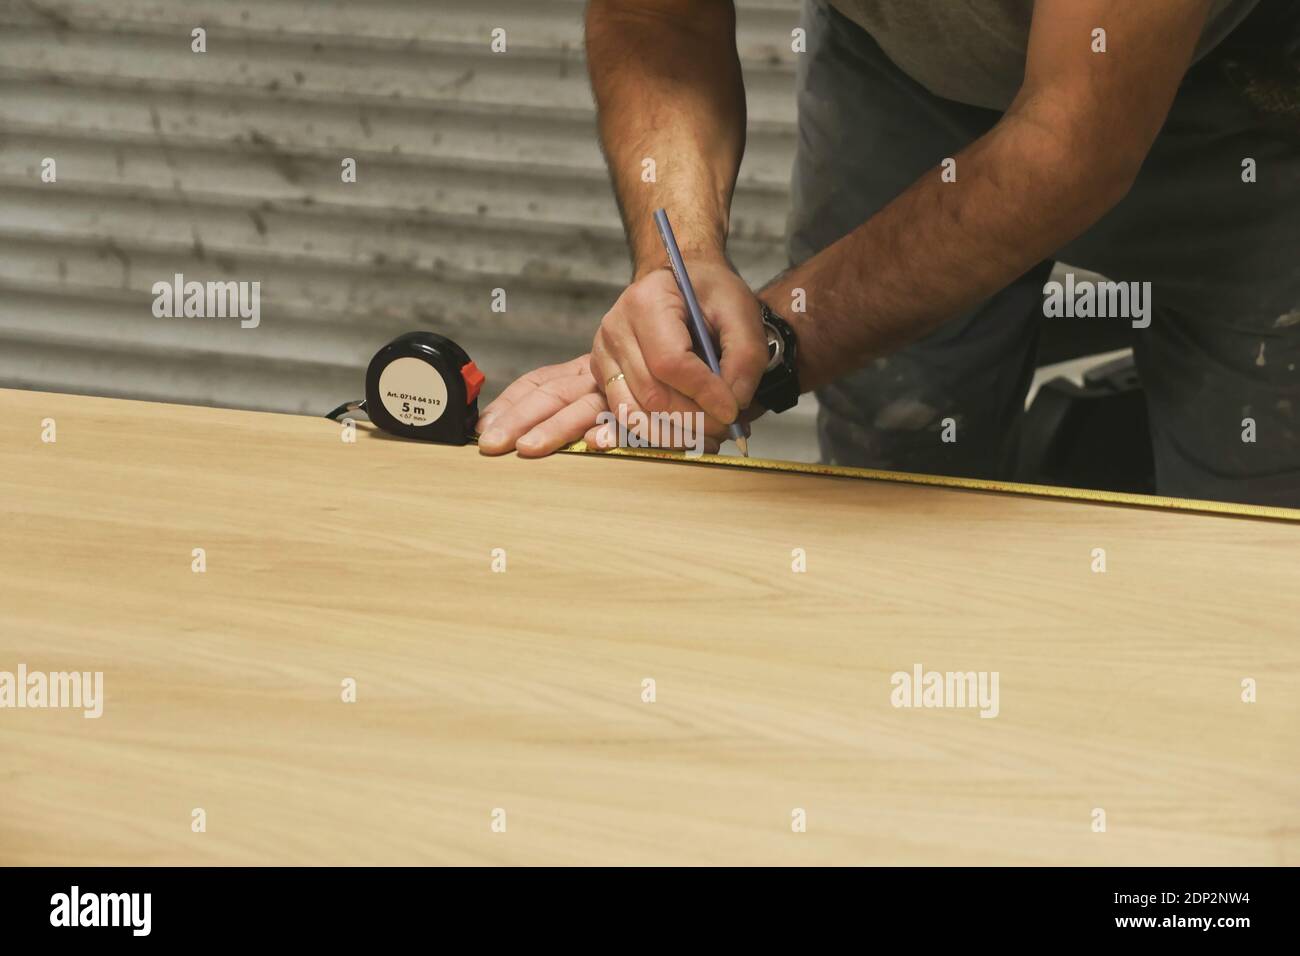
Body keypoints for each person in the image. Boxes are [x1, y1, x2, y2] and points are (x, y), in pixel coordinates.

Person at [475, 0, 1300, 506]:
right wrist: (680, 274)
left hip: (1244, 75)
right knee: (896, 450)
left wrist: (776, 342)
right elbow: (656, 16)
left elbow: (1071, 144)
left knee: (1255, 516)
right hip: (905, 65)